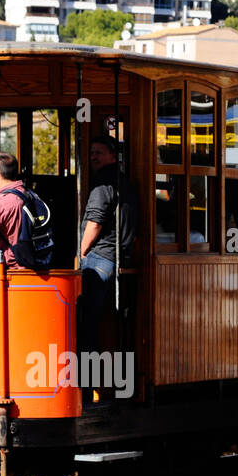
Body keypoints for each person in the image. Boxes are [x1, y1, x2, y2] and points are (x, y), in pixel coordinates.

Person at [77, 135, 138, 360]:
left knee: (87, 323)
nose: (93, 157)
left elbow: (95, 222)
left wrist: (81, 254)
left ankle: (87, 384)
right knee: (114, 322)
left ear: (113, 156)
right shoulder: (125, 182)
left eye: (99, 152)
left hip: (98, 258)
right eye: (91, 152)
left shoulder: (103, 184)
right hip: (118, 259)